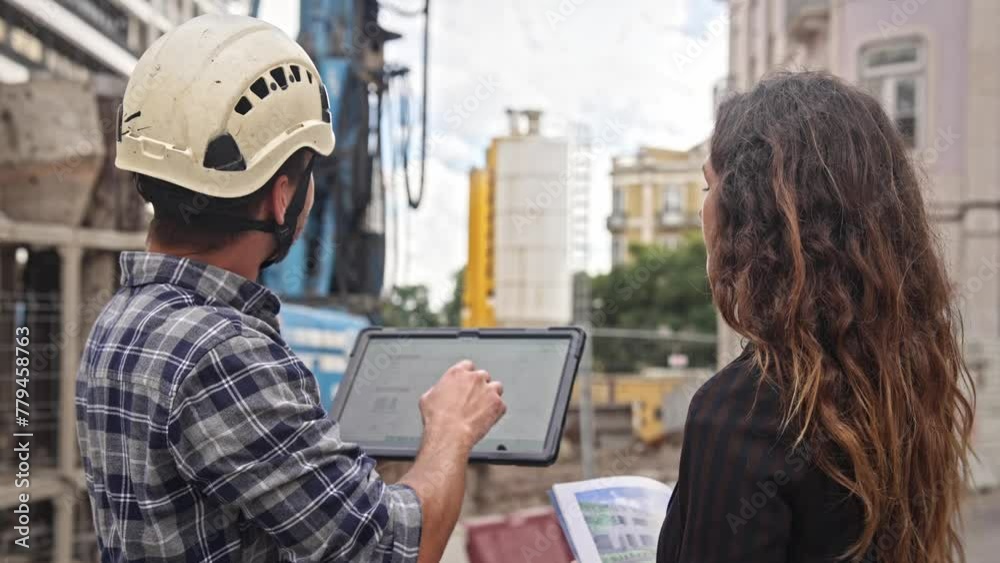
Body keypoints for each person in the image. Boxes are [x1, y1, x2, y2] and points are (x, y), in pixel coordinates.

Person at [76, 14, 506, 563]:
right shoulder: (225, 354)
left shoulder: (119, 319)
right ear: (282, 197)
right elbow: (393, 549)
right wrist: (451, 428)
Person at [657, 72, 975, 563]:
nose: (704, 211)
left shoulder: (739, 412)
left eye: (708, 187)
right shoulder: (901, 374)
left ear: (752, 215)